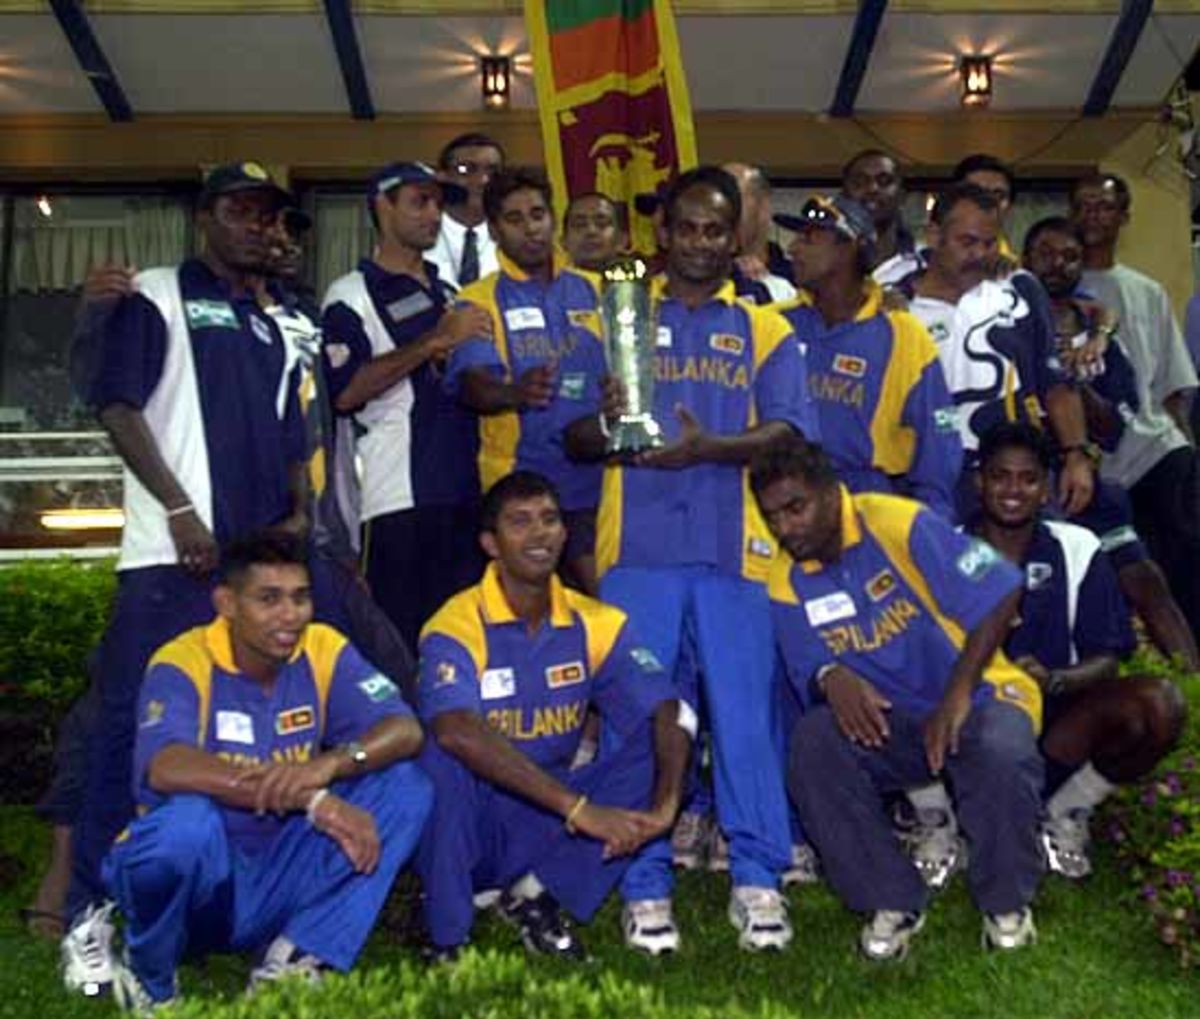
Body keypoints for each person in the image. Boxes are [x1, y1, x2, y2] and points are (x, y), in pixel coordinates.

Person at [62, 162, 312, 997]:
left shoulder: (273, 320)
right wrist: (177, 509)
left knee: (240, 734)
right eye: (238, 210)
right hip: (171, 562)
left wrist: (300, 515)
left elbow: (290, 434)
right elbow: (116, 406)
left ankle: (231, 903)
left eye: (266, 213)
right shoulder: (156, 292)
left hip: (250, 578)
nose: (254, 225)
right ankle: (88, 917)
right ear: (206, 217)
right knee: (127, 730)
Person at [565, 165, 819, 953]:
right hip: (637, 552)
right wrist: (608, 424)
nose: (703, 243)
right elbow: (569, 437)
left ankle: (756, 876)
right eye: (688, 228)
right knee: (643, 718)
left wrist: (706, 449)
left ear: (737, 234)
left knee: (744, 720)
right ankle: (643, 881)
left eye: (718, 229)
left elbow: (788, 434)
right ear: (662, 234)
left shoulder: (767, 327)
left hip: (735, 553)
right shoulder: (613, 319)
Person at [100, 533, 432, 1011]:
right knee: (186, 826)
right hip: (200, 886)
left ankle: (295, 955)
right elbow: (166, 765)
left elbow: (404, 728)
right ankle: (149, 975)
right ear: (227, 603)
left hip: (279, 870)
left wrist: (331, 764)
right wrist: (309, 797)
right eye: (269, 599)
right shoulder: (183, 659)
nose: (290, 615)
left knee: (407, 787)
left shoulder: (321, 648)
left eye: (300, 598)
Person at [754, 435, 1044, 960]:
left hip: (975, 697)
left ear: (830, 492)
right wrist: (829, 676)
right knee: (815, 740)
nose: (784, 527)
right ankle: (890, 898)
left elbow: (1002, 587)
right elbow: (807, 663)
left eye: (796, 508)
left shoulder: (899, 522)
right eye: (772, 516)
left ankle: (1006, 903)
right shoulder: (785, 579)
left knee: (1003, 742)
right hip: (895, 726)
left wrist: (957, 694)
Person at [414, 471, 691, 960]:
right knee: (444, 749)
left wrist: (666, 806)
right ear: (490, 544)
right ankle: (446, 934)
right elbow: (455, 729)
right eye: (519, 523)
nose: (539, 533)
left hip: (543, 818)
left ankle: (536, 894)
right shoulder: (455, 623)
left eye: (549, 520)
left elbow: (668, 707)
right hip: (473, 822)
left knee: (669, 732)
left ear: (565, 533)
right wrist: (579, 809)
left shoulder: (595, 621)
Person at [971, 423, 1185, 879]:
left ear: (1045, 487)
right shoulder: (946, 548)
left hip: (1056, 726)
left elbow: (1108, 656)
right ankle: (940, 818)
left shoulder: (1076, 547)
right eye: (1000, 476)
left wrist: (1054, 679)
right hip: (971, 729)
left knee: (1158, 703)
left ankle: (1066, 811)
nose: (1013, 490)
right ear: (979, 481)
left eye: (1027, 479)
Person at [321, 162, 488, 653]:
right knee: (400, 649)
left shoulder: (450, 291)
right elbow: (346, 391)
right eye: (419, 201)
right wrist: (433, 343)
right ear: (382, 205)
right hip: (397, 498)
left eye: (439, 202)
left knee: (461, 647)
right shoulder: (351, 294)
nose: (433, 213)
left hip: (466, 493)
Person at [1023, 216, 1198, 669]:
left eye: (1069, 256)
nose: (1057, 264)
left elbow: (1115, 427)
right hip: (1022, 491)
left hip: (1092, 487)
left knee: (1146, 580)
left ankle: (1194, 696)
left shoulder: (1101, 341)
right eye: (1045, 253)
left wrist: (1073, 382)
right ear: (1025, 260)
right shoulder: (1005, 326)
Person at [449, 168, 604, 593]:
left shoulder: (597, 291)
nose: (530, 228)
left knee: (604, 614)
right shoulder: (477, 299)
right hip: (520, 494)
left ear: (552, 220)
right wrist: (514, 392)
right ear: (495, 231)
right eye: (514, 220)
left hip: (599, 488)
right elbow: (471, 384)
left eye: (537, 214)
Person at [899, 183, 1095, 521]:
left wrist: (1076, 455)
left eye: (989, 243)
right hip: (927, 477)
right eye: (967, 242)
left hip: (1015, 473)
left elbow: (1055, 382)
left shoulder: (1019, 289)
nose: (979, 254)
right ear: (934, 236)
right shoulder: (896, 304)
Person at [775, 193, 961, 519]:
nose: (793, 249)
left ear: (850, 246)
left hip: (865, 504)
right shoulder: (773, 324)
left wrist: (930, 520)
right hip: (777, 503)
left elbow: (941, 433)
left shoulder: (903, 335)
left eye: (810, 238)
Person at [1072, 173, 1200, 646]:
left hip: (1154, 452)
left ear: (1123, 217)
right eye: (1083, 206)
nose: (1093, 216)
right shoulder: (1055, 286)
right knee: (1115, 579)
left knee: (1179, 567)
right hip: (1093, 467)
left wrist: (1186, 449)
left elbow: (1171, 384)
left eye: (1103, 207)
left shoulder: (1146, 291)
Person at [428, 132, 505, 288]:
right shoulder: (419, 233)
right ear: (442, 177)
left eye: (493, 171)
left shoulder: (513, 238)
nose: (483, 180)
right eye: (466, 169)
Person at [839, 149, 919, 286]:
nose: (872, 188)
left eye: (884, 181)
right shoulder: (820, 263)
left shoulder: (925, 265)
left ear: (902, 195)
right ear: (844, 196)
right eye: (860, 182)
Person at [723, 163, 796, 303]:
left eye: (732, 200)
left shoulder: (800, 277)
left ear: (764, 206)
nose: (720, 212)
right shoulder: (700, 279)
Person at [562, 192, 628, 273]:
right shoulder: (552, 285)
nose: (591, 231)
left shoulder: (641, 285)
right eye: (580, 224)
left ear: (622, 240)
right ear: (563, 241)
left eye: (602, 224)